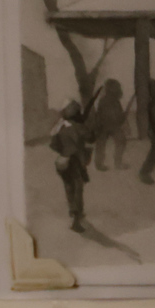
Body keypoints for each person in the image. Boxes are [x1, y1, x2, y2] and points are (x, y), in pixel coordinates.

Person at [51, 99, 92, 233]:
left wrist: (65, 150)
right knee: (78, 190)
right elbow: (91, 137)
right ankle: (76, 219)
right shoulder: (78, 127)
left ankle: (73, 212)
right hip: (75, 161)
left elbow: (54, 145)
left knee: (69, 188)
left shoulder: (60, 126)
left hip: (62, 161)